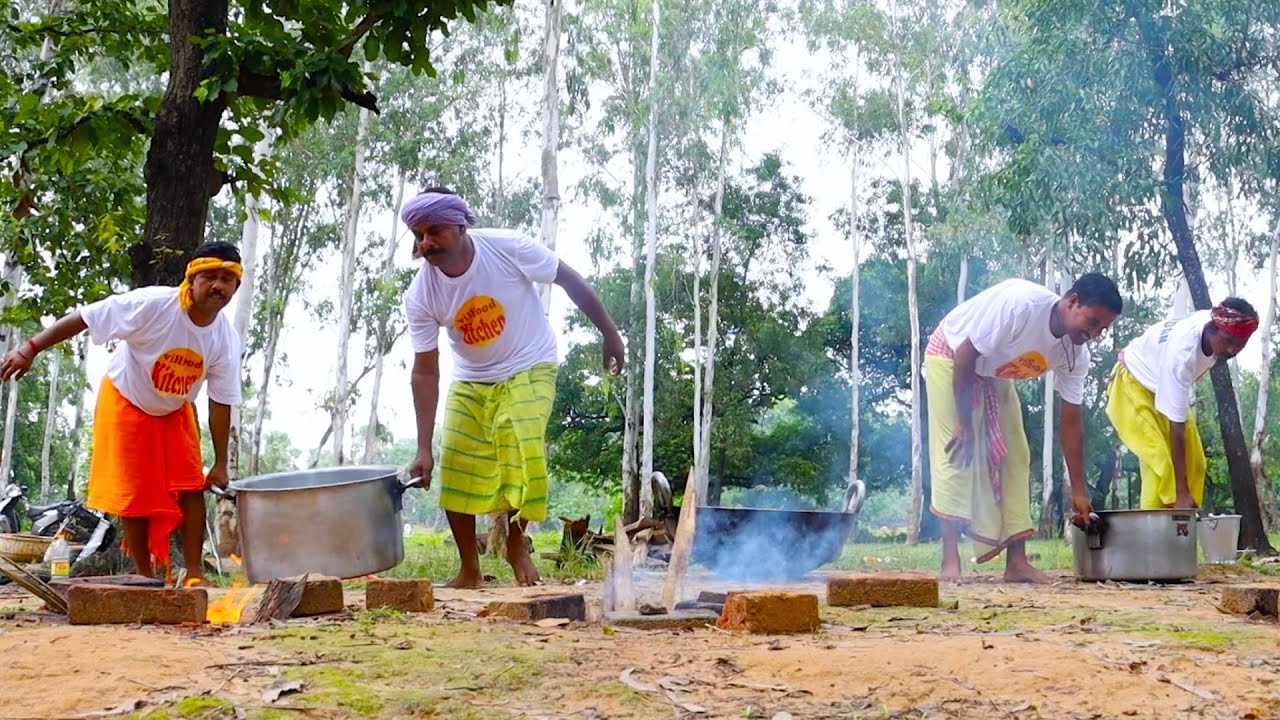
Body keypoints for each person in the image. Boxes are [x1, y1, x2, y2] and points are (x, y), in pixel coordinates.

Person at [402, 188, 625, 588]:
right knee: (457, 463)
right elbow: (425, 371)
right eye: (418, 235)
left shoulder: (507, 247)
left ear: (459, 225)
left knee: (517, 440)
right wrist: (423, 447)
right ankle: (470, 570)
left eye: (433, 231)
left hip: (530, 364)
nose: (426, 243)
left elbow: (568, 279)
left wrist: (610, 333)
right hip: (472, 378)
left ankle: (516, 543)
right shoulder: (421, 293)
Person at [0, 241, 243, 585]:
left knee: (191, 486)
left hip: (174, 407)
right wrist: (30, 347)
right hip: (126, 397)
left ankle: (193, 573)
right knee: (135, 492)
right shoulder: (153, 304)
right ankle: (142, 576)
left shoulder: (225, 339)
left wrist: (220, 463)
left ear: (236, 286)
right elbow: (87, 317)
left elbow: (220, 401)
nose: (217, 286)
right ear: (192, 278)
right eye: (209, 277)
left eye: (226, 279)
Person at [926, 273, 1123, 583]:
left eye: (1103, 328)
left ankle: (1016, 562)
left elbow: (1071, 422)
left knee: (1015, 455)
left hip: (991, 370)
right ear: (1072, 302)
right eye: (1093, 321)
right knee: (956, 453)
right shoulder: (1020, 306)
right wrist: (964, 423)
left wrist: (1080, 491)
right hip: (951, 355)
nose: (1095, 333)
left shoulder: (1076, 355)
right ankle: (950, 560)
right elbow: (965, 354)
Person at [1106, 298, 1258, 510]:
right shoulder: (1183, 354)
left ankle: (1183, 525)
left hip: (1162, 387)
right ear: (1214, 328)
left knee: (1195, 462)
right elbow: (1176, 430)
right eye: (1228, 340)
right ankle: (1155, 535)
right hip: (1132, 384)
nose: (1233, 349)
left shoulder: (1216, 323)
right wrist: (1180, 491)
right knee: (1160, 465)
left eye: (1241, 344)